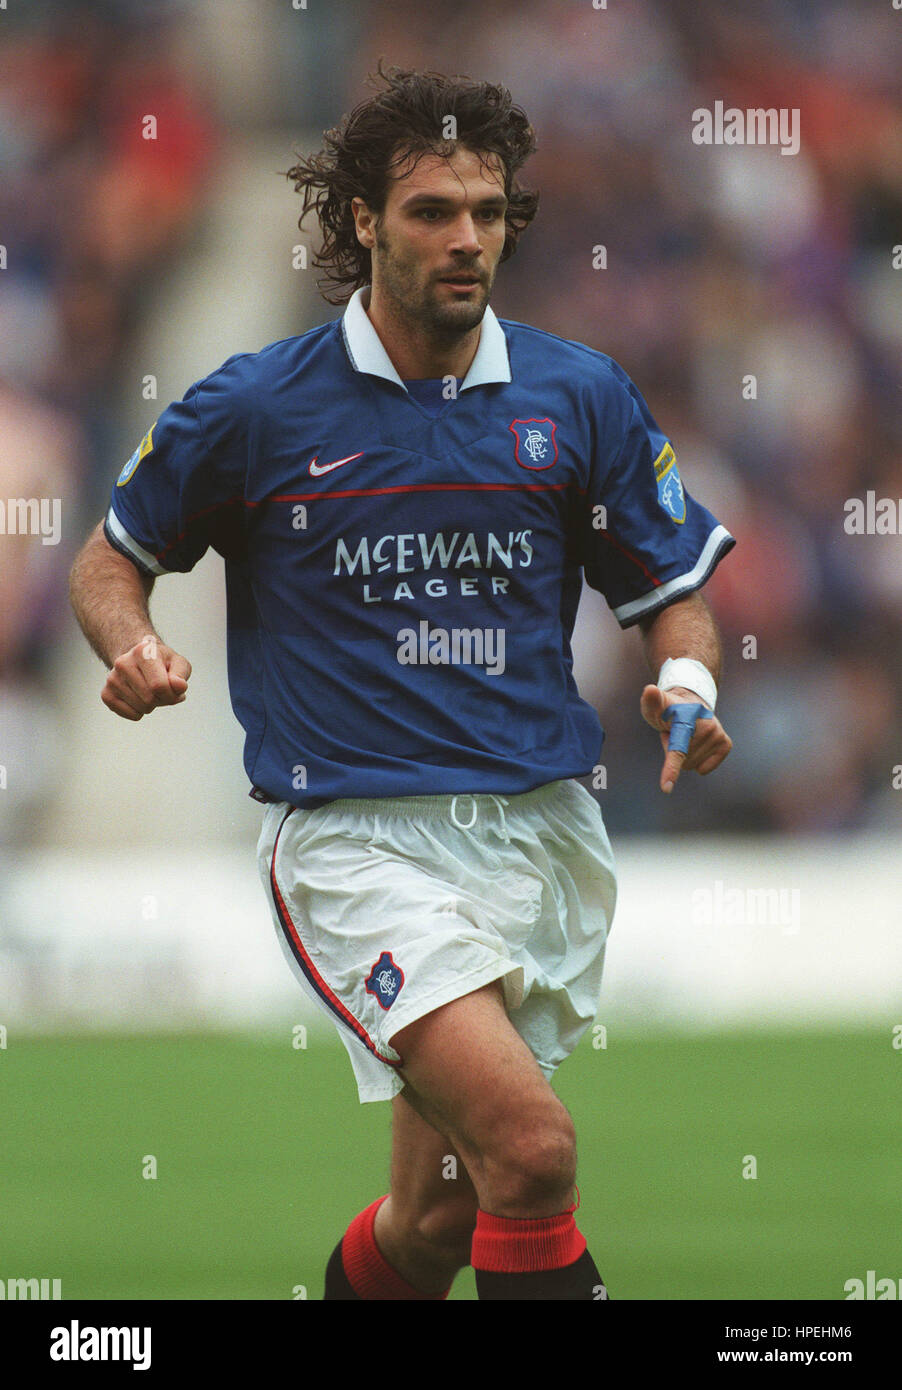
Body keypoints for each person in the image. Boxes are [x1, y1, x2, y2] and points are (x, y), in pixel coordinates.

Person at [69, 63, 735, 1301]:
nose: (467, 237)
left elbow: (667, 588)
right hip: (358, 843)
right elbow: (112, 559)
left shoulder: (576, 396)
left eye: (487, 210)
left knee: (436, 1223)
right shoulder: (257, 406)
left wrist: (687, 679)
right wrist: (133, 645)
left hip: (537, 833)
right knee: (532, 1154)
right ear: (363, 220)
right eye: (432, 210)